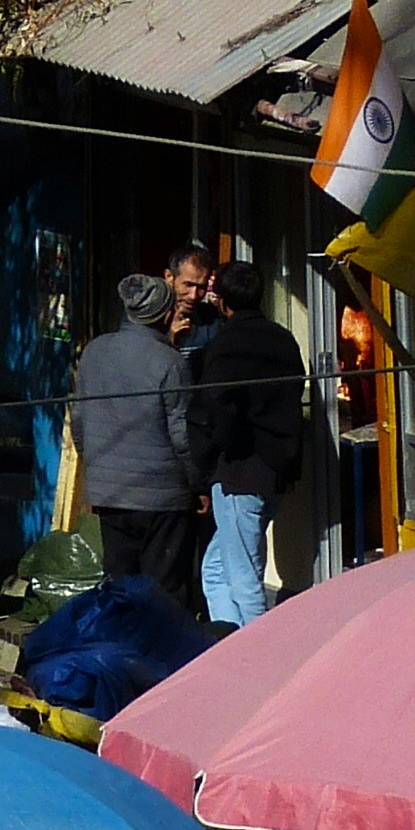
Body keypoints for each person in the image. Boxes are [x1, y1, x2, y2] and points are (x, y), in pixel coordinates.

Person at [187, 263, 310, 630]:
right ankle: (228, 640)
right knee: (217, 566)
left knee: (243, 577)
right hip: (275, 470)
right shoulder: (282, 339)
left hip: (241, 473)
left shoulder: (226, 346)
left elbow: (218, 405)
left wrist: (218, 450)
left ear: (222, 303)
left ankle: (258, 651)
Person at [70, 272, 202, 606]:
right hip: (163, 496)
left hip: (111, 494)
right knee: (164, 593)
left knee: (121, 591)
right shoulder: (170, 362)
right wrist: (197, 484)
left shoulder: (94, 352)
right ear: (167, 314)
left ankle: (126, 654)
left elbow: (79, 422)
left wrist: (97, 469)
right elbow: (182, 435)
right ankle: (169, 658)